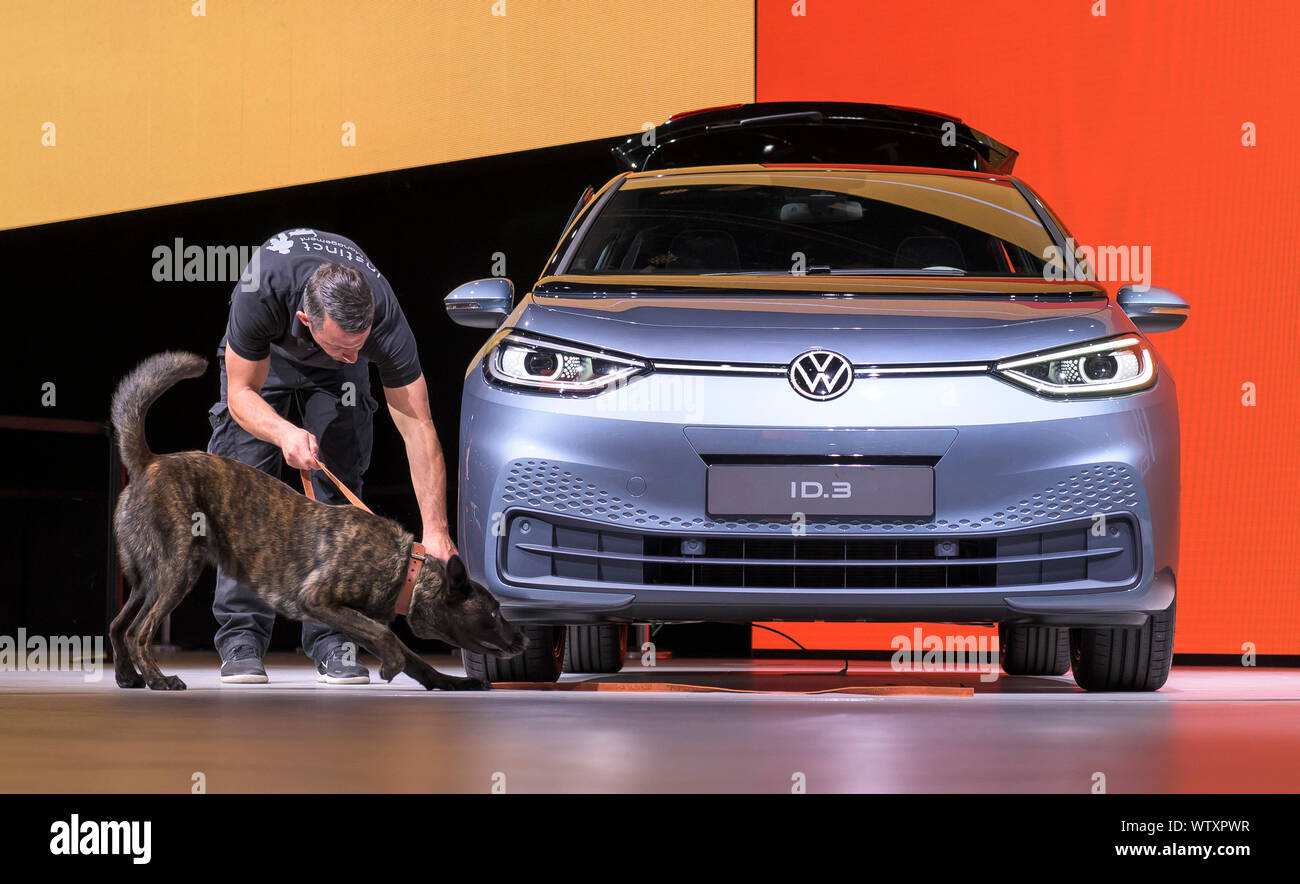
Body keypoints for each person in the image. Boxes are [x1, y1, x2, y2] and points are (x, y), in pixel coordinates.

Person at [206, 228, 457, 684]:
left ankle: (332, 640)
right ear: (305, 318)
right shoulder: (262, 289)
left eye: (361, 346)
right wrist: (284, 433)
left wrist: (436, 532)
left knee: (339, 491)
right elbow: (242, 392)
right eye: (345, 346)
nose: (355, 355)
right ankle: (241, 637)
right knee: (245, 494)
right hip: (265, 361)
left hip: (332, 381)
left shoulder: (380, 321)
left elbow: (418, 425)